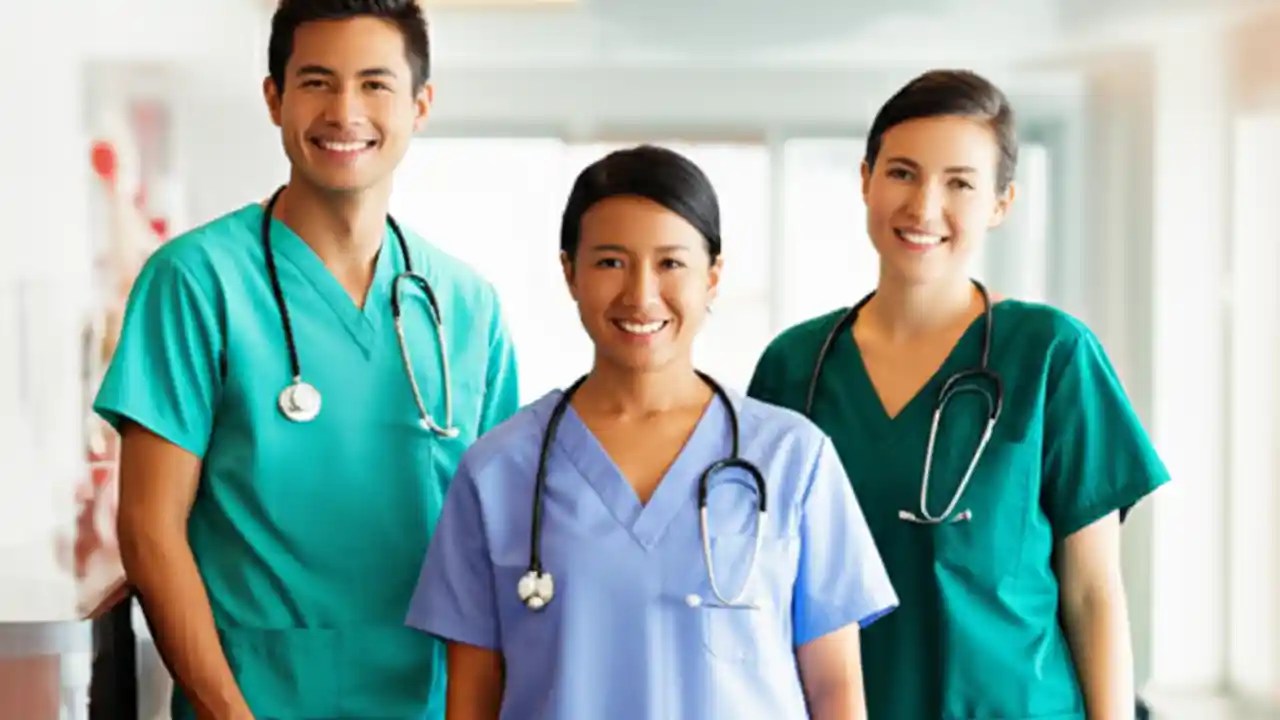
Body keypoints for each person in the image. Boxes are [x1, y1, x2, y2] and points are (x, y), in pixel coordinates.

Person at [91, 1, 520, 717]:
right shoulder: (197, 281)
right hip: (251, 698)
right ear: (274, 98)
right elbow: (149, 527)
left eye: (375, 85)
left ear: (420, 104)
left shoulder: (466, 306)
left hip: (429, 700)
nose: (344, 111)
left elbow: (494, 543)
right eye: (317, 82)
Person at [404, 145, 898, 719]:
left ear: (713, 276)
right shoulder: (498, 470)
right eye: (611, 262)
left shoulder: (793, 459)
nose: (641, 295)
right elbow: (471, 700)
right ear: (569, 273)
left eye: (670, 264)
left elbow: (837, 691)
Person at [747, 69, 1172, 719]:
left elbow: (1094, 593)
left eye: (960, 183)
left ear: (1002, 204)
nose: (923, 207)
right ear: (865, 179)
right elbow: (766, 584)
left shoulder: (1050, 354)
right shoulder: (797, 366)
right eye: (902, 173)